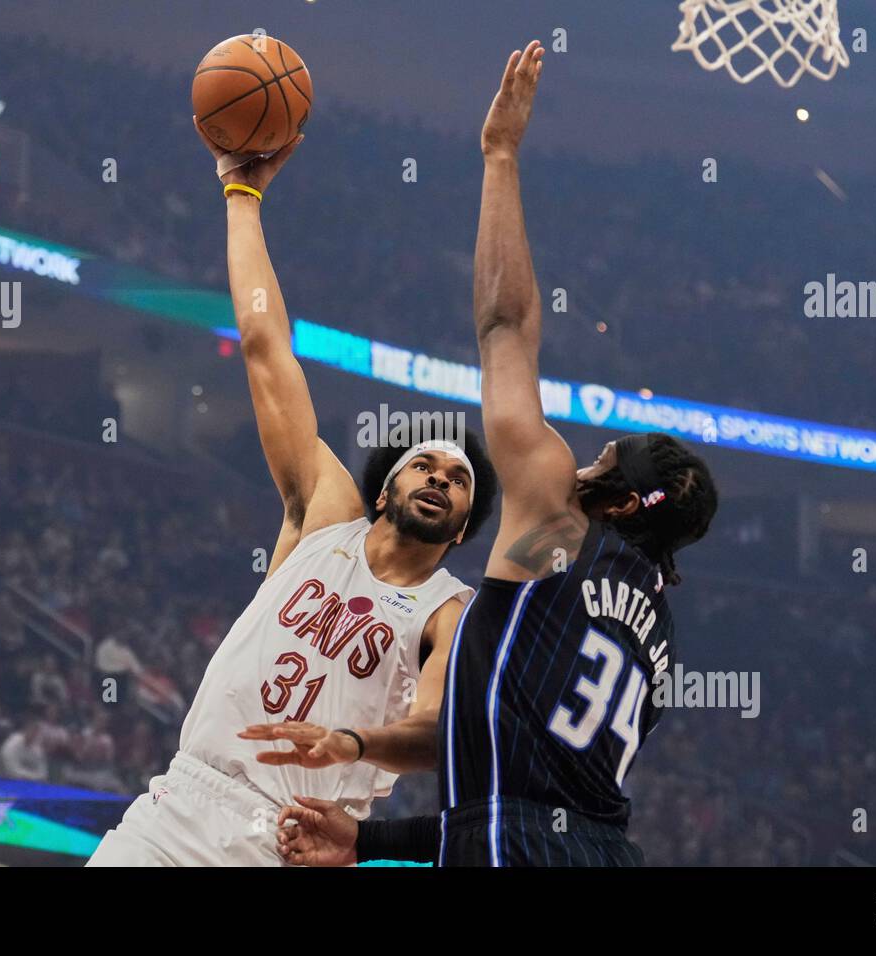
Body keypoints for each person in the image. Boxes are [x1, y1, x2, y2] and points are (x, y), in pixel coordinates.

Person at [253, 41, 719, 867]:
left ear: (617, 499)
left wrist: (499, 157)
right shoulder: (658, 632)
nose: (579, 463)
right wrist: (366, 840)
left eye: (602, 459)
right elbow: (527, 803)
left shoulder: (557, 518)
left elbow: (506, 327)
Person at [87, 119, 498, 866]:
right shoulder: (326, 514)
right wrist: (241, 194)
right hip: (179, 804)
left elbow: (436, 732)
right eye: (424, 464)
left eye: (459, 478)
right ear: (384, 491)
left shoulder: (453, 607)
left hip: (289, 840)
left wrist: (350, 744)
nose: (439, 475)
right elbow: (264, 345)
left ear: (464, 529)